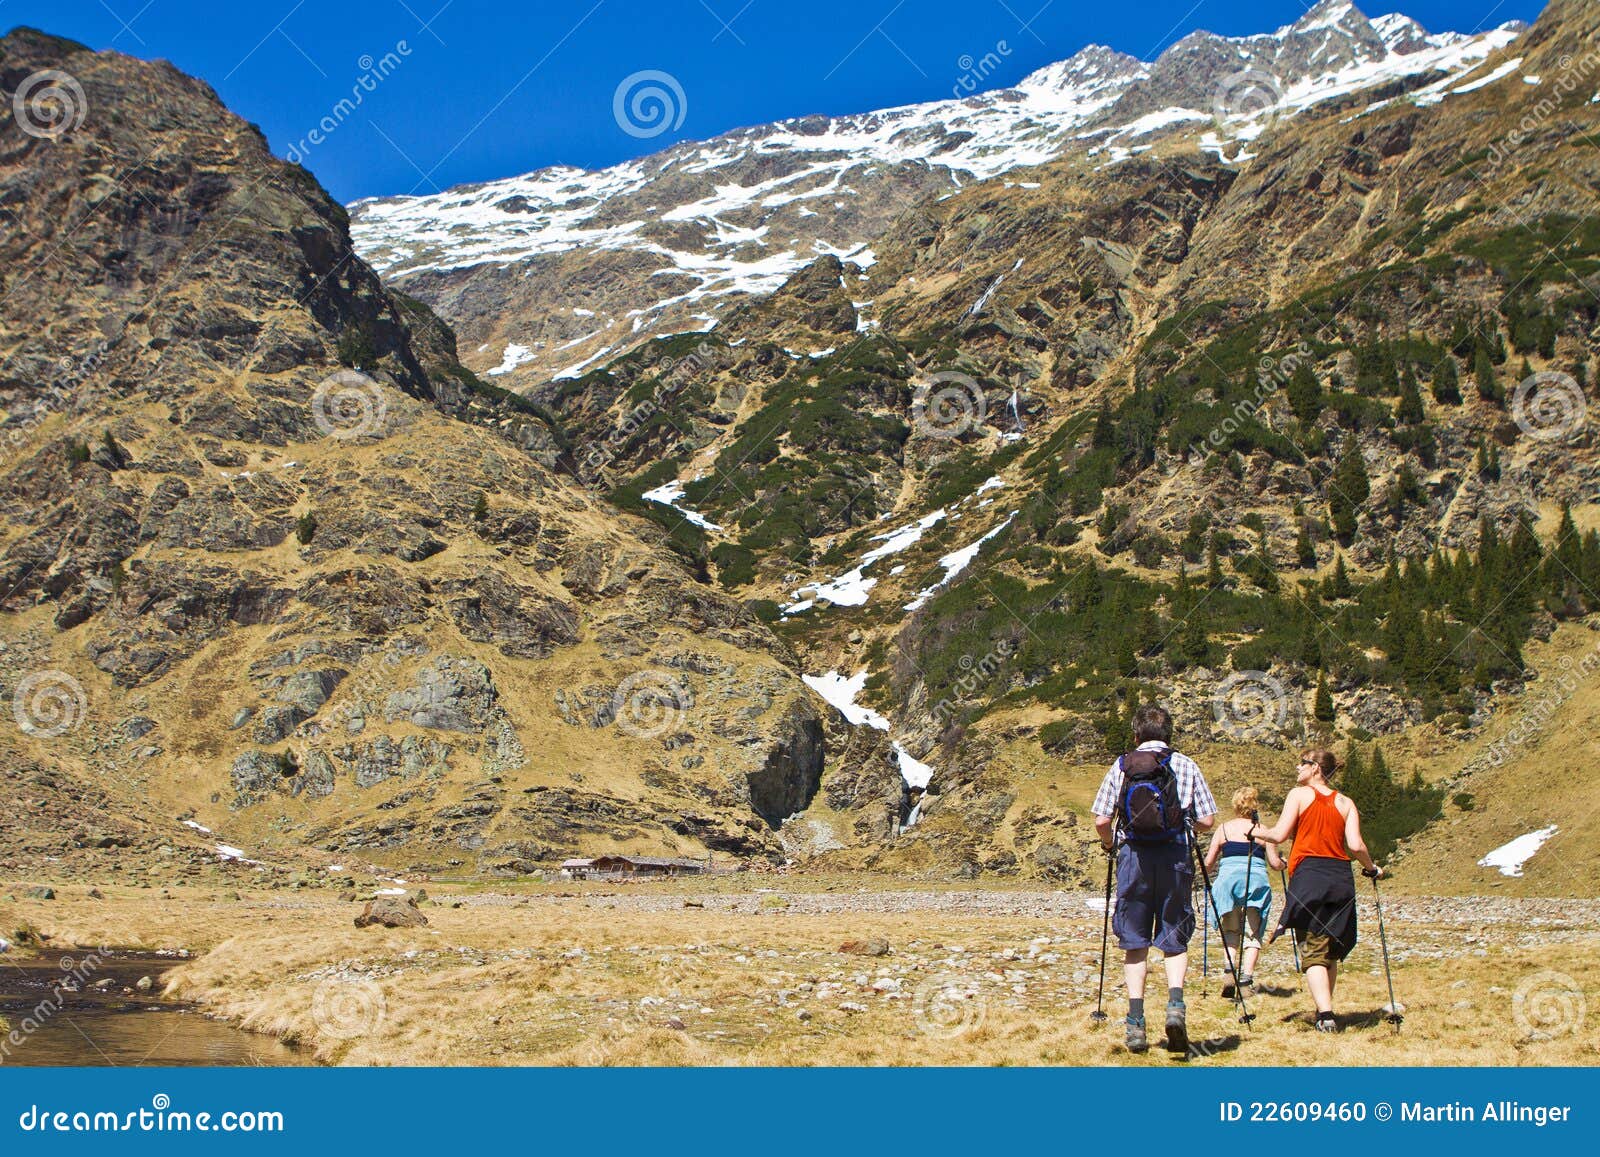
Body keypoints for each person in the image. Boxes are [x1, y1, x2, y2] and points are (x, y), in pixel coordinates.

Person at [1092, 704, 1217, 1055]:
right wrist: (1186, 822)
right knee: (1174, 934)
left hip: (1134, 858)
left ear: (1136, 735)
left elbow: (1102, 820)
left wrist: (1110, 844)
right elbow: (1208, 820)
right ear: (1169, 735)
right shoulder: (1186, 765)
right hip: (1175, 855)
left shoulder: (1122, 766)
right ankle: (1175, 1005)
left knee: (1134, 939)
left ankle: (1135, 1023)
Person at [1249, 749, 1382, 1033]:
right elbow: (1356, 846)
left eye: (1303, 763)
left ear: (1316, 768)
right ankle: (1326, 1009)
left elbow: (1279, 834)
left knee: (1312, 947)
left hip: (1309, 876)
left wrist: (1254, 832)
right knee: (1331, 947)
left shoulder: (1298, 795)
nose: (1298, 768)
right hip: (1340, 878)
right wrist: (1372, 869)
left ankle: (1325, 1013)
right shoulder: (1346, 802)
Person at [1203, 786, 1285, 999]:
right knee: (1252, 933)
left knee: (1231, 930)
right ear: (1254, 805)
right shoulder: (1262, 830)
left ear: (1235, 805)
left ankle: (1229, 972)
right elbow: (1275, 864)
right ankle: (1246, 981)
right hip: (1255, 882)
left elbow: (1209, 863)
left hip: (1228, 883)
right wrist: (1284, 864)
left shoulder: (1223, 829)